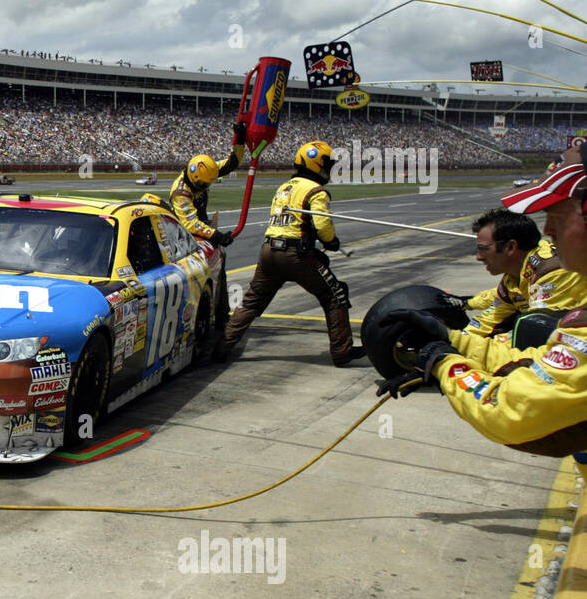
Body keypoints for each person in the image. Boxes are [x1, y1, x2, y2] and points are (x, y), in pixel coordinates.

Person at [377, 143, 587, 468]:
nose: (548, 231)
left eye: (557, 215)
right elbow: (496, 314)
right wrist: (454, 338)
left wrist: (448, 366)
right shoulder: (519, 275)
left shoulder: (550, 273)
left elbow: (513, 409)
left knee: (531, 327)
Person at [213, 141, 365, 366]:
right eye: (327, 164)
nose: (329, 169)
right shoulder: (316, 191)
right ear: (316, 164)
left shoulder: (284, 187)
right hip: (296, 255)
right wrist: (332, 242)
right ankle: (342, 351)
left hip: (268, 251)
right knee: (335, 296)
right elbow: (322, 225)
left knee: (251, 304)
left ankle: (221, 349)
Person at [449, 208, 587, 338]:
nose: (479, 257)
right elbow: (491, 316)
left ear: (510, 247)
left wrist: (465, 347)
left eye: (483, 249)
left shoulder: (551, 271)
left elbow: (536, 333)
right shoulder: (513, 276)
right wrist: (458, 340)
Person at [167, 121, 248, 249]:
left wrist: (240, 140)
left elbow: (232, 163)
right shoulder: (181, 192)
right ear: (195, 179)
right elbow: (190, 223)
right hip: (183, 239)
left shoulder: (208, 170)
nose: (207, 186)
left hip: (202, 229)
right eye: (204, 184)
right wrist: (216, 235)